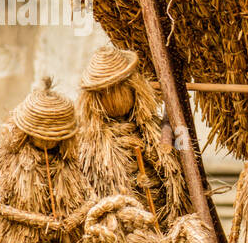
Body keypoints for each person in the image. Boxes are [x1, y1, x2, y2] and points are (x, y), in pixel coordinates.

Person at [0, 78, 93, 243]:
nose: (48, 142)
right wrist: (42, 221)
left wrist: (73, 220)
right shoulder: (12, 162)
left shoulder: (69, 162)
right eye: (41, 135)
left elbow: (91, 197)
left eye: (54, 138)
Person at [75, 45, 189, 229]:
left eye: (121, 88)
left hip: (164, 216)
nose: (114, 97)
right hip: (128, 227)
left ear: (133, 86)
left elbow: (172, 166)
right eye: (105, 92)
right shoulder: (91, 147)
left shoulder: (152, 128)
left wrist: (157, 155)